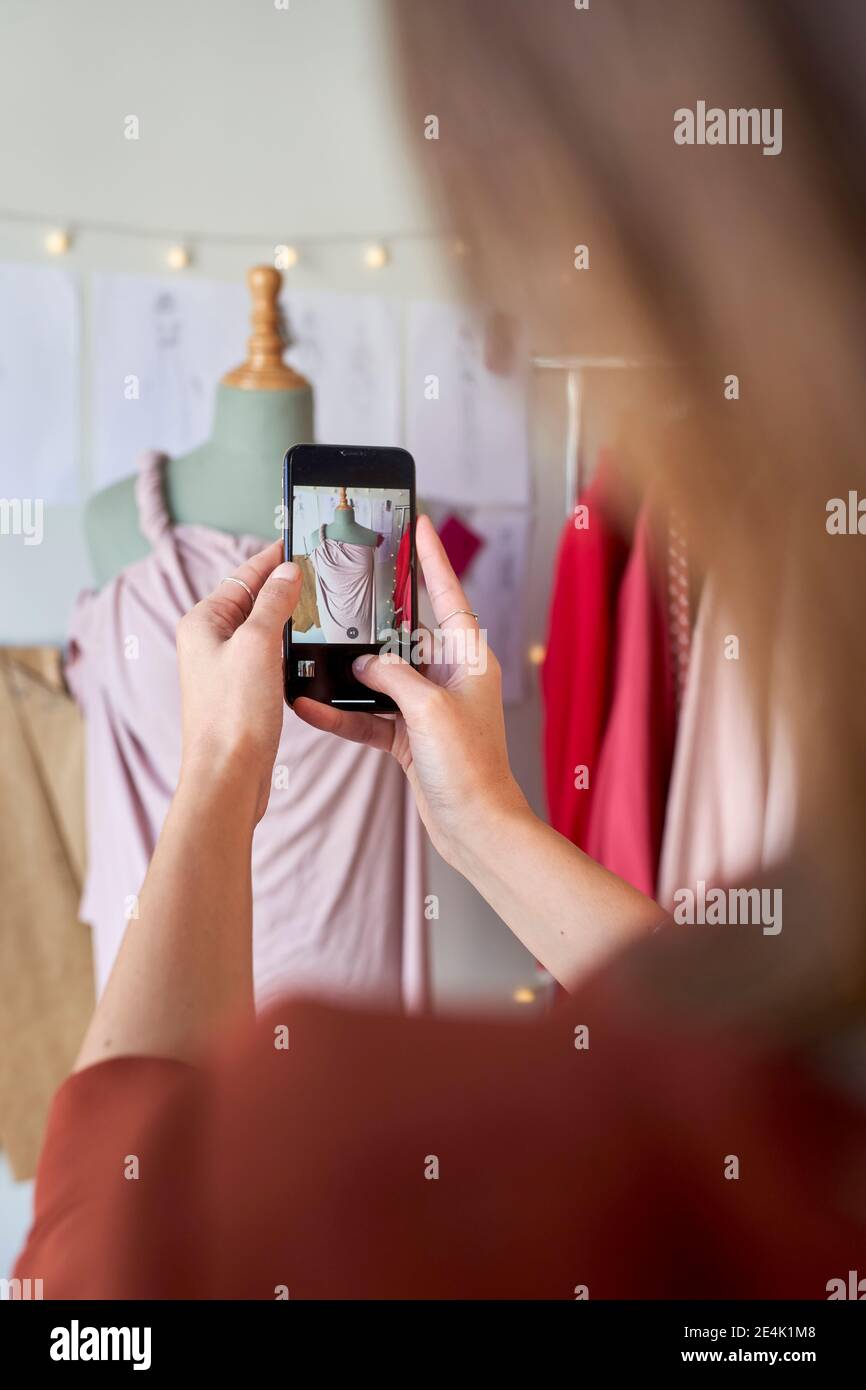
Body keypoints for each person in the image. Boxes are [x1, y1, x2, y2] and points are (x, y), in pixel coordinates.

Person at [15, 0, 866, 1297]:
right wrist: (476, 822)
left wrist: (221, 776)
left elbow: (87, 1282)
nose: (515, 349)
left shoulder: (344, 1169)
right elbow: (757, 1064)